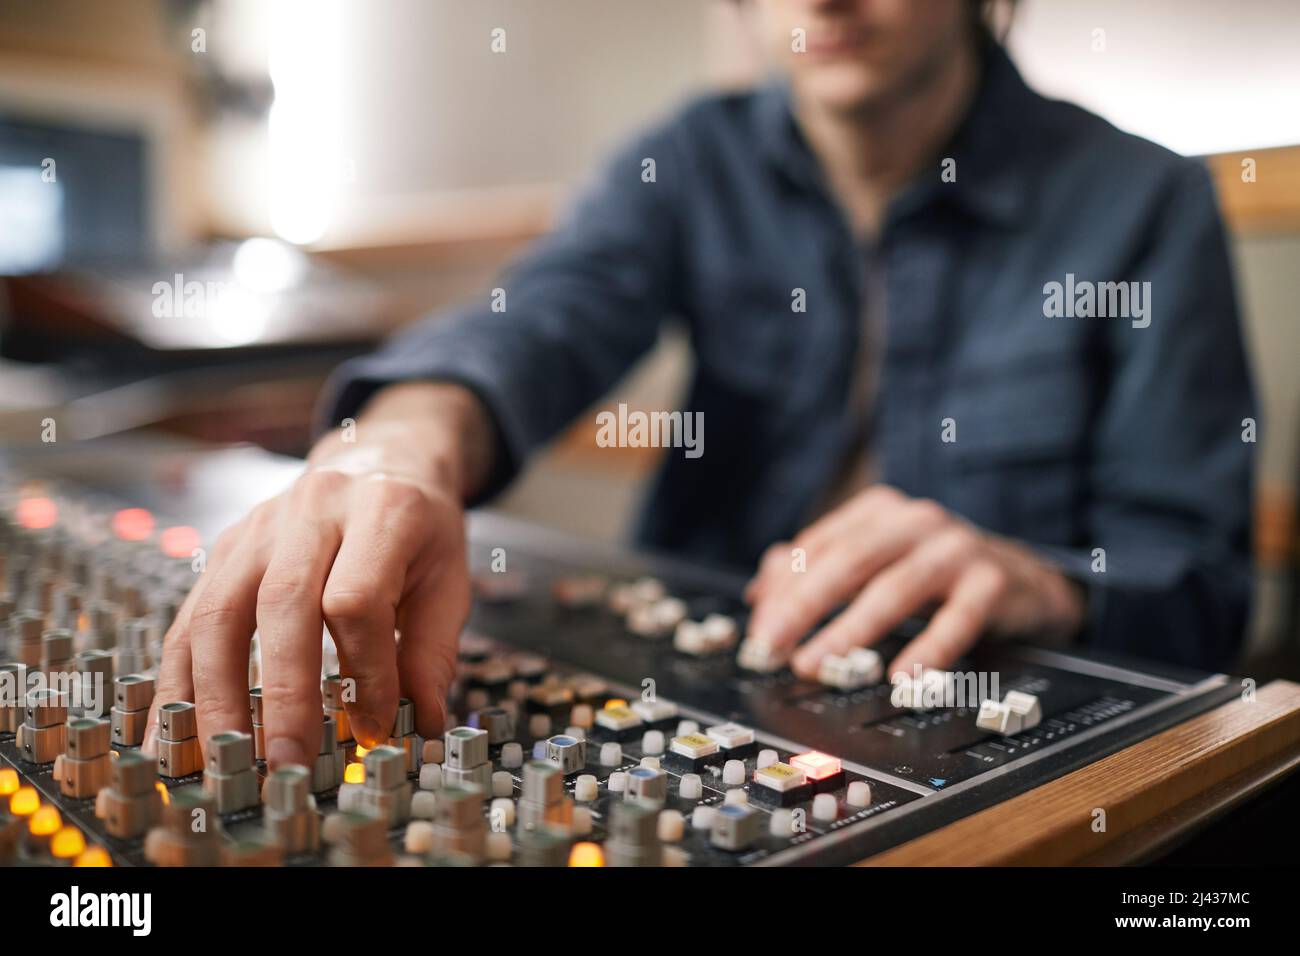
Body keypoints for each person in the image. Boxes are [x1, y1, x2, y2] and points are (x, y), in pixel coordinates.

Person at [145, 0, 1255, 770]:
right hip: (713, 712)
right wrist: (400, 448)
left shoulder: (1143, 200)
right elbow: (541, 318)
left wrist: (1050, 582)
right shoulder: (687, 157)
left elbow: (1202, 589)